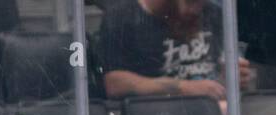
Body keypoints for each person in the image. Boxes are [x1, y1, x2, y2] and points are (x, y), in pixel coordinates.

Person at [99, 0, 253, 100]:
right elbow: (114, 83)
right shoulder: (123, 17)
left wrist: (231, 78)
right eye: (188, 2)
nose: (195, 10)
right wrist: (183, 88)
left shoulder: (212, 13)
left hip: (215, 114)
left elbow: (219, 72)